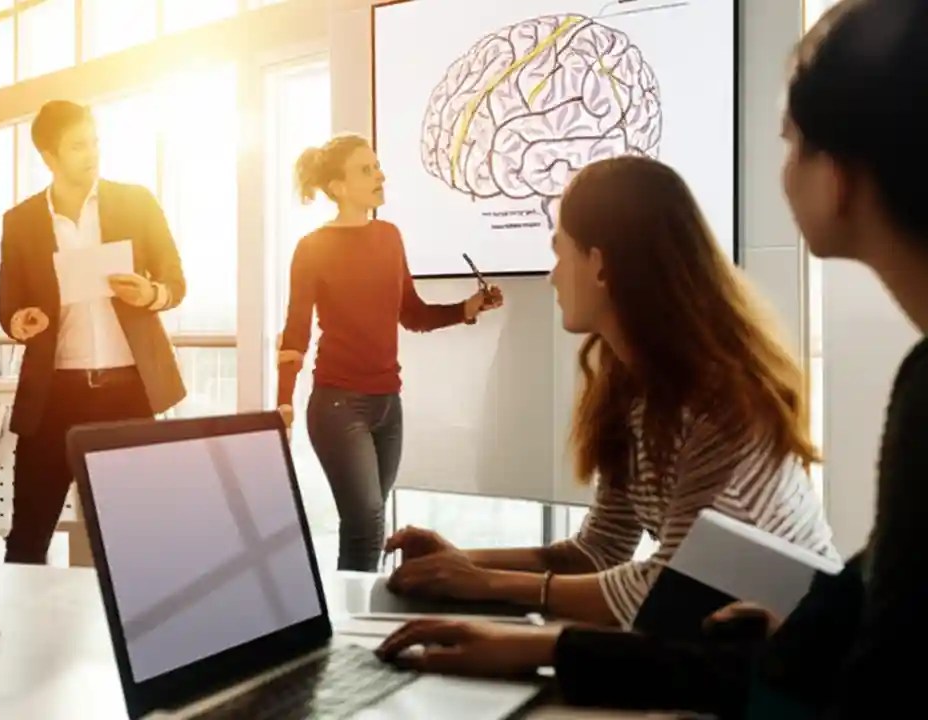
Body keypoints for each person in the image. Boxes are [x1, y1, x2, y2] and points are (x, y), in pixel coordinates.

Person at [377, 2, 927, 717]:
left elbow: (866, 672)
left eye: (791, 144)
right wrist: (467, 565)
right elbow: (608, 550)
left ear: (841, 175)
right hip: (725, 658)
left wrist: (510, 612)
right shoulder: (625, 382)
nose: (549, 273)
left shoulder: (727, 395)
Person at [383, 155, 837, 628]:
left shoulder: (721, 405)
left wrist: (486, 583)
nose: (552, 276)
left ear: (599, 265)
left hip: (796, 669)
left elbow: (666, 590)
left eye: (561, 254)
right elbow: (597, 551)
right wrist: (459, 562)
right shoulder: (631, 390)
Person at [277, 134, 504, 572]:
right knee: (365, 523)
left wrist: (468, 308)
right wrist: (284, 401)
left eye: (378, 166)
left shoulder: (389, 236)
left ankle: (353, 622)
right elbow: (295, 333)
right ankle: (351, 627)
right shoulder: (311, 248)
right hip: (338, 405)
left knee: (367, 527)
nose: (380, 175)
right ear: (338, 186)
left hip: (388, 406)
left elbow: (412, 314)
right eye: (367, 169)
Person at [0, 100, 186, 565]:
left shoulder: (135, 201)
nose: (92, 152)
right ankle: (26, 636)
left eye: (95, 141)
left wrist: (150, 294)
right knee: (27, 539)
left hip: (128, 393)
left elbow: (175, 280)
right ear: (49, 157)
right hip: (54, 396)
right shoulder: (20, 221)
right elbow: (9, 304)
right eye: (78, 145)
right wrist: (20, 322)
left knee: (136, 540)